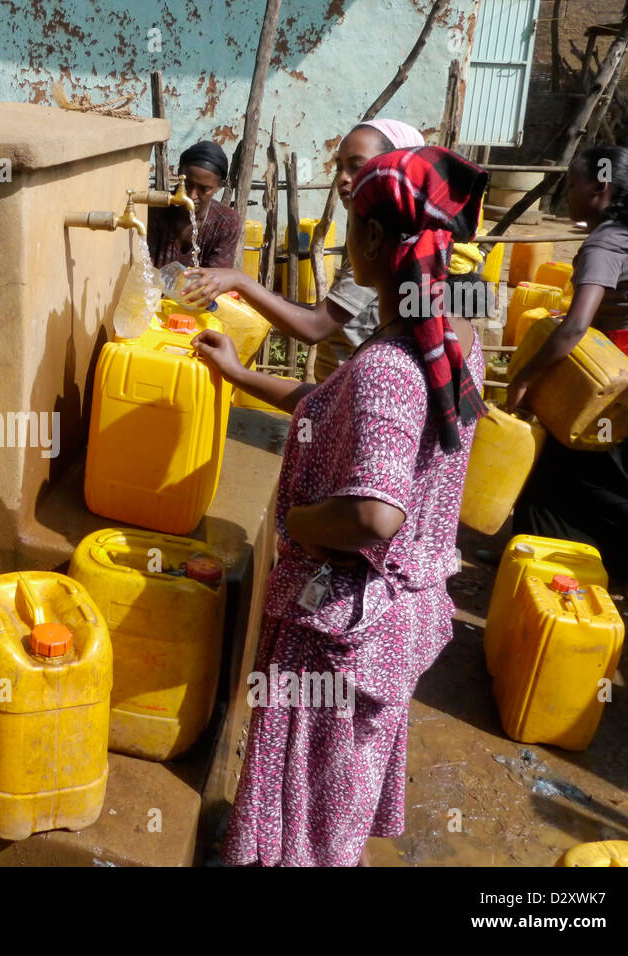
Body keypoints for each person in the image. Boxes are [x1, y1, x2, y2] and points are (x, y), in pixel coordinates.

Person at [192, 145, 488, 866]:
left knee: (306, 818)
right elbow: (334, 411)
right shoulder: (453, 340)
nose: (345, 235)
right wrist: (238, 374)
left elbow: (373, 515)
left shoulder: (391, 366)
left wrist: (296, 523)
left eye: (353, 222)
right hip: (392, 627)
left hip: (342, 628)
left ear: (378, 242)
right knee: (333, 807)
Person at [176, 119, 431, 382]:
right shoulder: (377, 240)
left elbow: (315, 326)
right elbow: (323, 315)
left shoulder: (384, 249)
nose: (343, 177)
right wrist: (250, 290)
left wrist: (241, 282)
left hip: (356, 392)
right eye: (339, 167)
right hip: (340, 392)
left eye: (357, 166)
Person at [506, 144, 628, 584]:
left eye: (572, 184)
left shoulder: (607, 242)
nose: (565, 193)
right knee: (558, 460)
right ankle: (531, 552)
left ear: (600, 187)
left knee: (603, 474)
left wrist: (526, 378)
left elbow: (574, 328)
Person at [146, 140, 241, 269]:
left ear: (219, 186)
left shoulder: (226, 222)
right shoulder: (156, 210)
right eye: (187, 185)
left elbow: (216, 277)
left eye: (204, 189)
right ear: (179, 174)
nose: (191, 196)